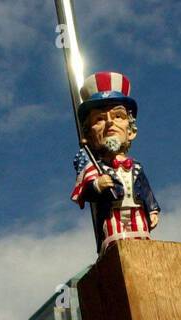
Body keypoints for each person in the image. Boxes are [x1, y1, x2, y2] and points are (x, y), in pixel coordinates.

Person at [69, 71, 161, 253]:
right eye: (100, 119)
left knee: (143, 248)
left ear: (131, 130)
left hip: (138, 217)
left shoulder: (136, 167)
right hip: (113, 219)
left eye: (118, 116)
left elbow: (146, 191)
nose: (110, 123)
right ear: (88, 134)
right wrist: (96, 185)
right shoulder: (96, 169)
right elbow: (86, 193)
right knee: (116, 247)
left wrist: (152, 210)